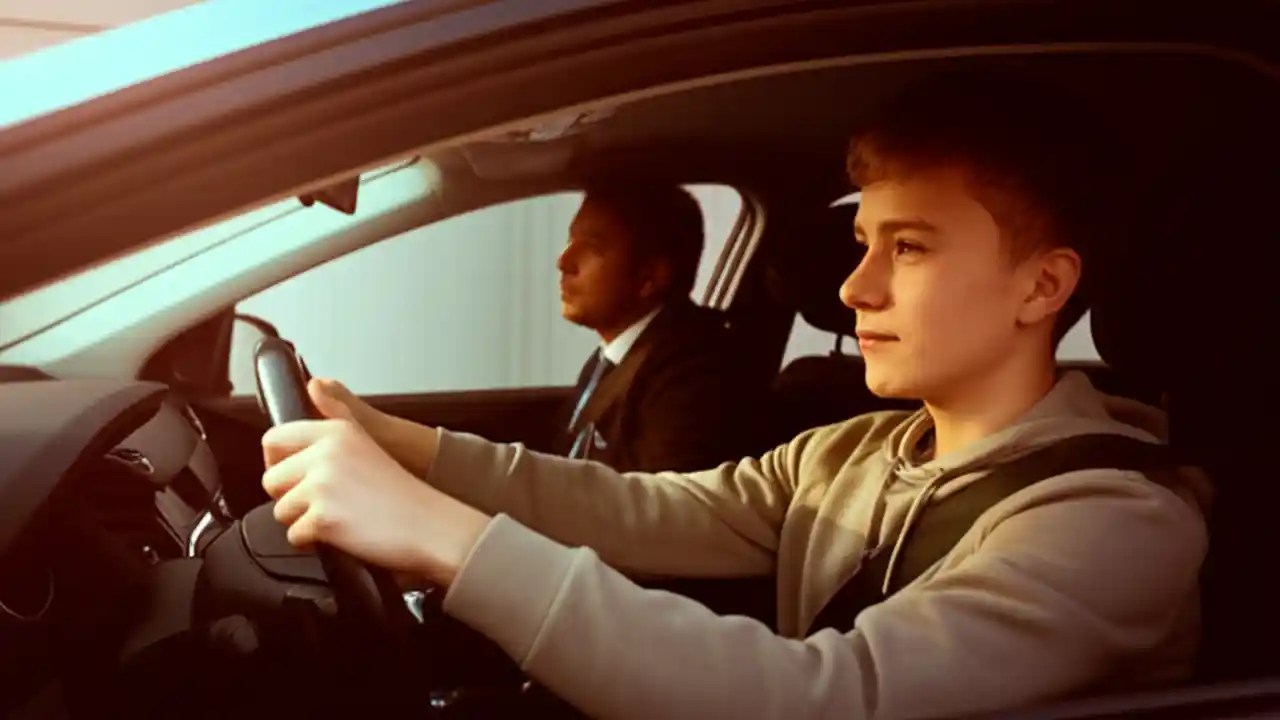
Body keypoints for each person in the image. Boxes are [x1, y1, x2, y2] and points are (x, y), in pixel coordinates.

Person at [259, 72, 1211, 719]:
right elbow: (638, 509)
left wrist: (442, 539)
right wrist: (402, 445)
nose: (854, 289)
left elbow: (827, 699)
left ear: (1042, 287)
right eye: (864, 244)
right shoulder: (855, 450)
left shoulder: (1119, 522)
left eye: (909, 248)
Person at [552, 180, 762, 471]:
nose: (563, 261)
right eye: (569, 240)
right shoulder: (612, 358)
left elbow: (662, 507)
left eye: (592, 247)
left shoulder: (694, 375)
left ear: (649, 277)